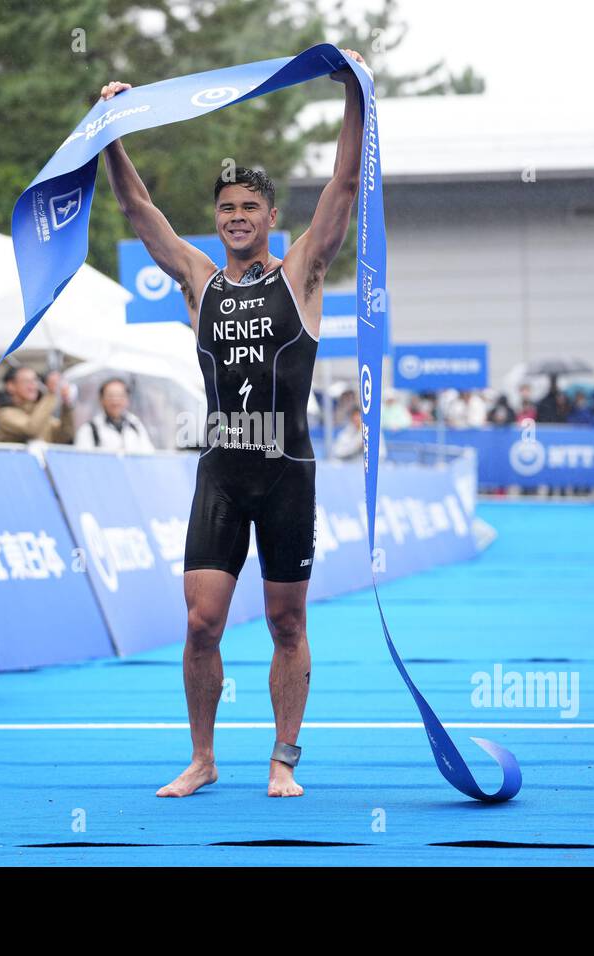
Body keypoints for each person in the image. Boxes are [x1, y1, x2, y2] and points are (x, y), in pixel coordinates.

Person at [98, 49, 368, 798]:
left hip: (288, 471)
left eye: (251, 208)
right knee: (201, 624)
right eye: (227, 209)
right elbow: (137, 214)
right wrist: (112, 132)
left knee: (286, 623)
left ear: (271, 217)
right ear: (217, 220)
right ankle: (203, 758)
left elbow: (345, 185)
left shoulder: (303, 273)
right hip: (221, 471)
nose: (238, 218)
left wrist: (353, 94)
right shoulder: (198, 282)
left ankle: (283, 758)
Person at [0, 365, 76, 444]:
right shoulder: (4, 414)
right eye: (27, 381)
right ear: (11, 386)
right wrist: (52, 393)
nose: (33, 385)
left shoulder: (38, 411)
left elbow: (65, 435)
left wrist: (66, 406)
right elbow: (31, 429)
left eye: (35, 380)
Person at [74, 377, 156, 452]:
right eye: (110, 396)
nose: (115, 401)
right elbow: (83, 462)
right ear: (101, 399)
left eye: (120, 396)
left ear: (127, 399)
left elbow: (149, 454)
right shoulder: (89, 430)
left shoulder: (135, 425)